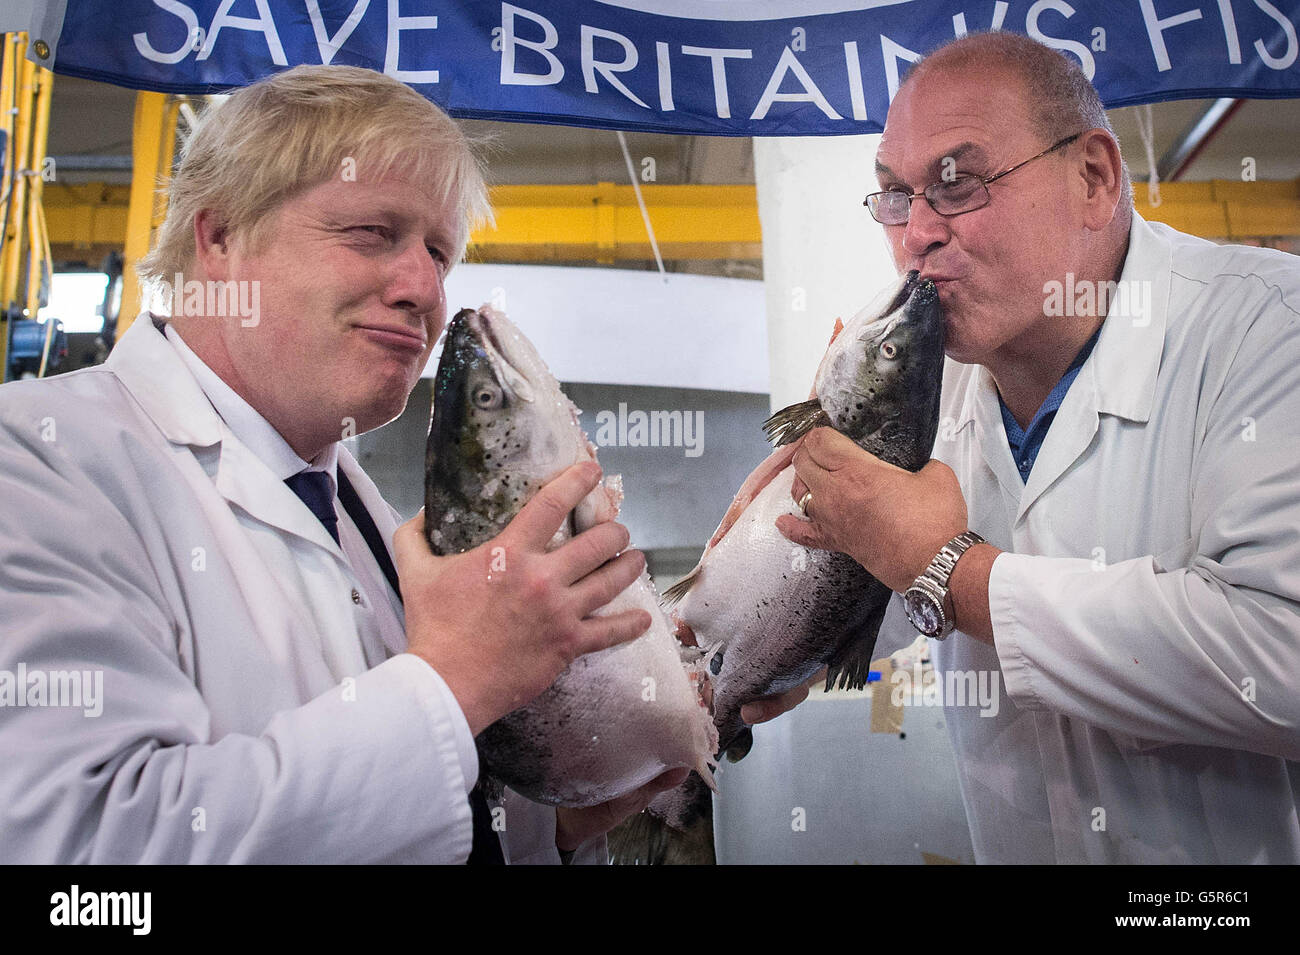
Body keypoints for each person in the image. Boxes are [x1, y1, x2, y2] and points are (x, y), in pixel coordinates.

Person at [0, 64, 682, 863]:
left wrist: (554, 825)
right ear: (219, 237)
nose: (424, 289)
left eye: (439, 252)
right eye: (371, 232)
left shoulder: (360, 513)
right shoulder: (39, 457)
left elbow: (411, 803)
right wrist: (454, 679)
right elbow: (82, 847)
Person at [760, 32, 1300, 863]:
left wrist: (951, 570)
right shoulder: (932, 384)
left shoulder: (1267, 328)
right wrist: (778, 645)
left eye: (957, 183)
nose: (916, 234)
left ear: (1093, 178)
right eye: (896, 195)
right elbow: (883, 605)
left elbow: (1282, 653)